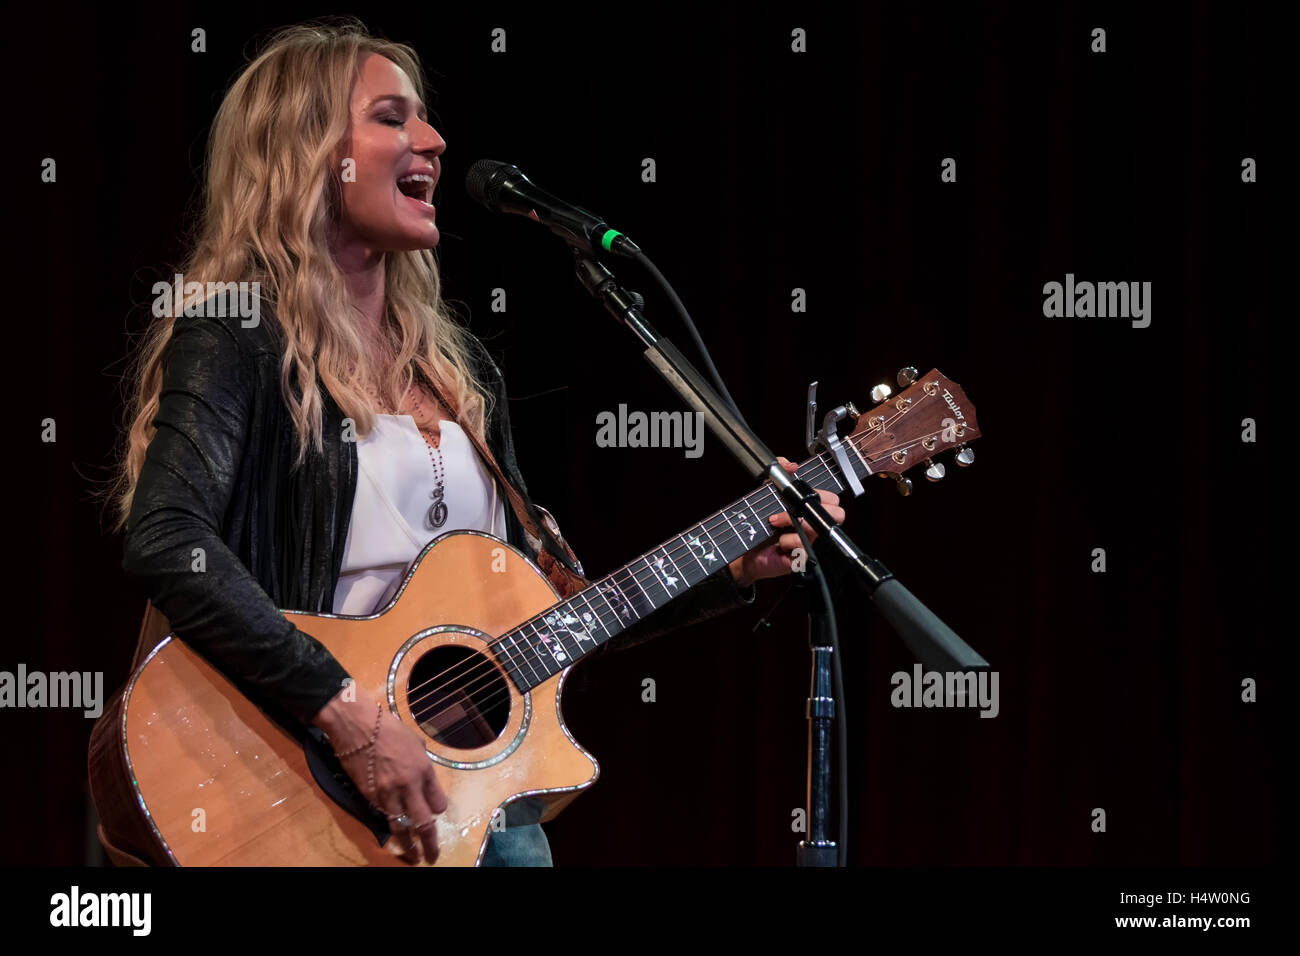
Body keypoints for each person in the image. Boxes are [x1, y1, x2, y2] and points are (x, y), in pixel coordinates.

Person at [109, 19, 846, 867]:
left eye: (423, 118)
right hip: (300, 791)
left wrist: (731, 571)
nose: (433, 139)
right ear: (306, 151)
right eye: (391, 118)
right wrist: (344, 713)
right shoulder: (239, 336)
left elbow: (544, 623)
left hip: (471, 805)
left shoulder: (463, 382)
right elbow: (167, 539)